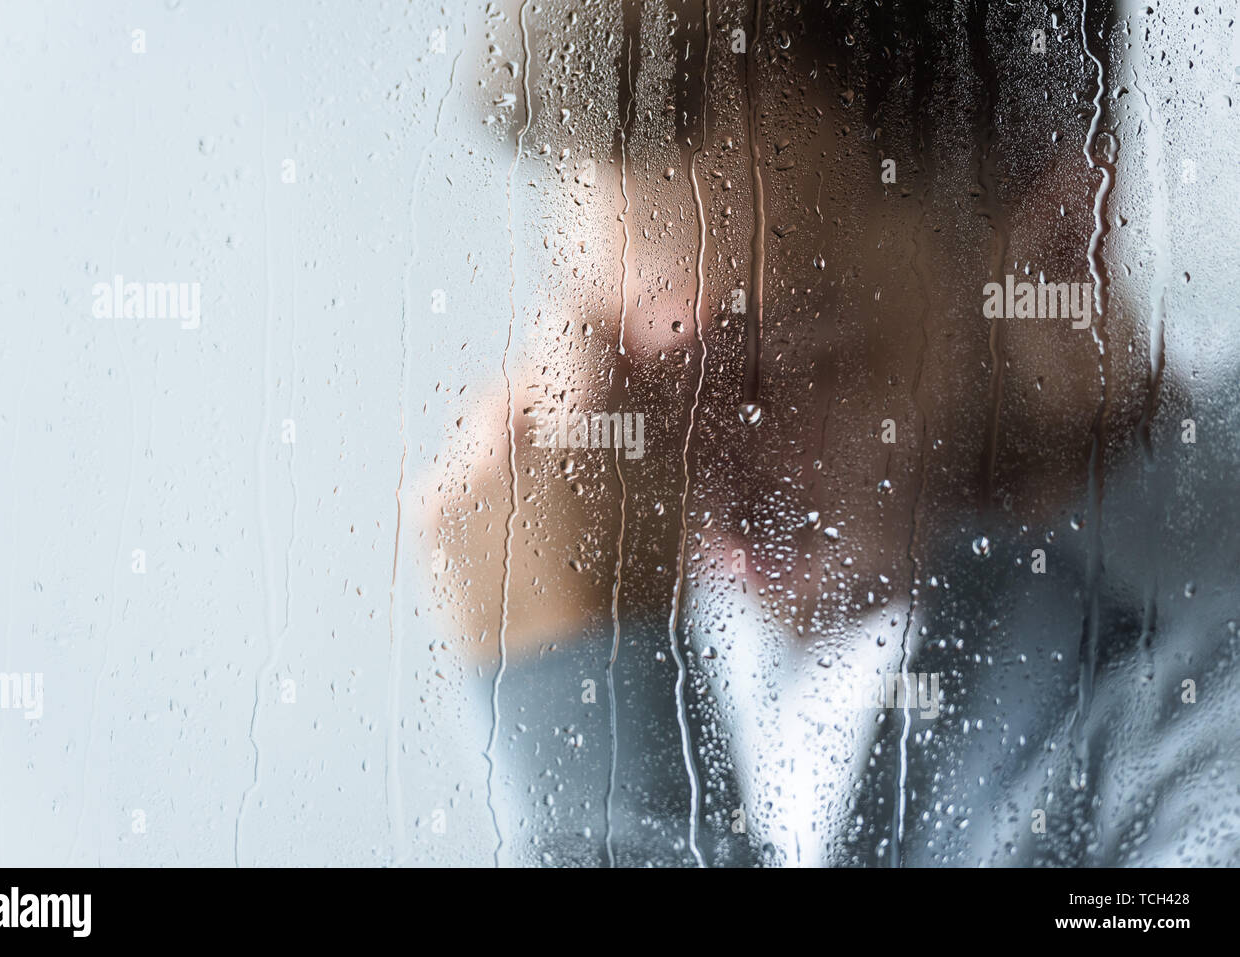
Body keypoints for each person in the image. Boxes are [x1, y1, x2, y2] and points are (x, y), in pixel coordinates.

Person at [420, 0, 1240, 865]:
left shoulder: (1198, 718)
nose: (683, 463)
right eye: (639, 380)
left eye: (770, 371)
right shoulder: (740, 628)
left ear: (1061, 248)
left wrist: (592, 726)